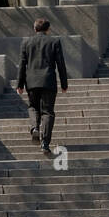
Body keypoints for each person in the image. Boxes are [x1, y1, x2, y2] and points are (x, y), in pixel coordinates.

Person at [17, 17, 68, 155]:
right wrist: (64, 83)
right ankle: (45, 143)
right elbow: (60, 64)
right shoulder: (54, 41)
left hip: (32, 82)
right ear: (48, 29)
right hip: (48, 81)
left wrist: (19, 84)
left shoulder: (26, 43)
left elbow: (22, 65)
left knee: (33, 107)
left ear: (35, 29)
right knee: (47, 112)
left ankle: (34, 128)